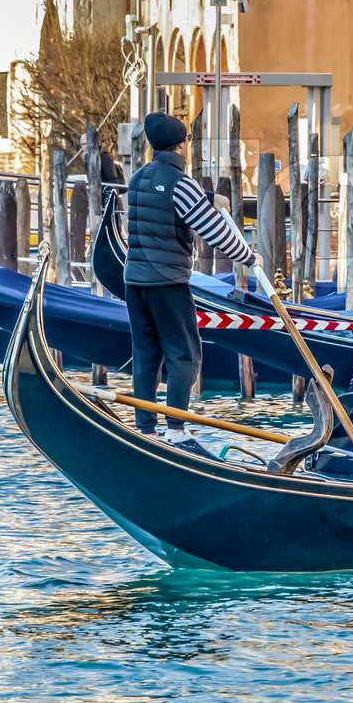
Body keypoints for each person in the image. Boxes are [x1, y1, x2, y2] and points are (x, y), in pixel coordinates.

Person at [125, 111, 259, 458]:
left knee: (146, 354)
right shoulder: (181, 184)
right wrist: (249, 257)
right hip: (167, 280)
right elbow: (213, 231)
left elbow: (171, 204)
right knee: (185, 353)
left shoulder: (138, 178)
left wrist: (210, 198)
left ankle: (146, 428)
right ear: (182, 145)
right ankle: (176, 430)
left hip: (135, 279)